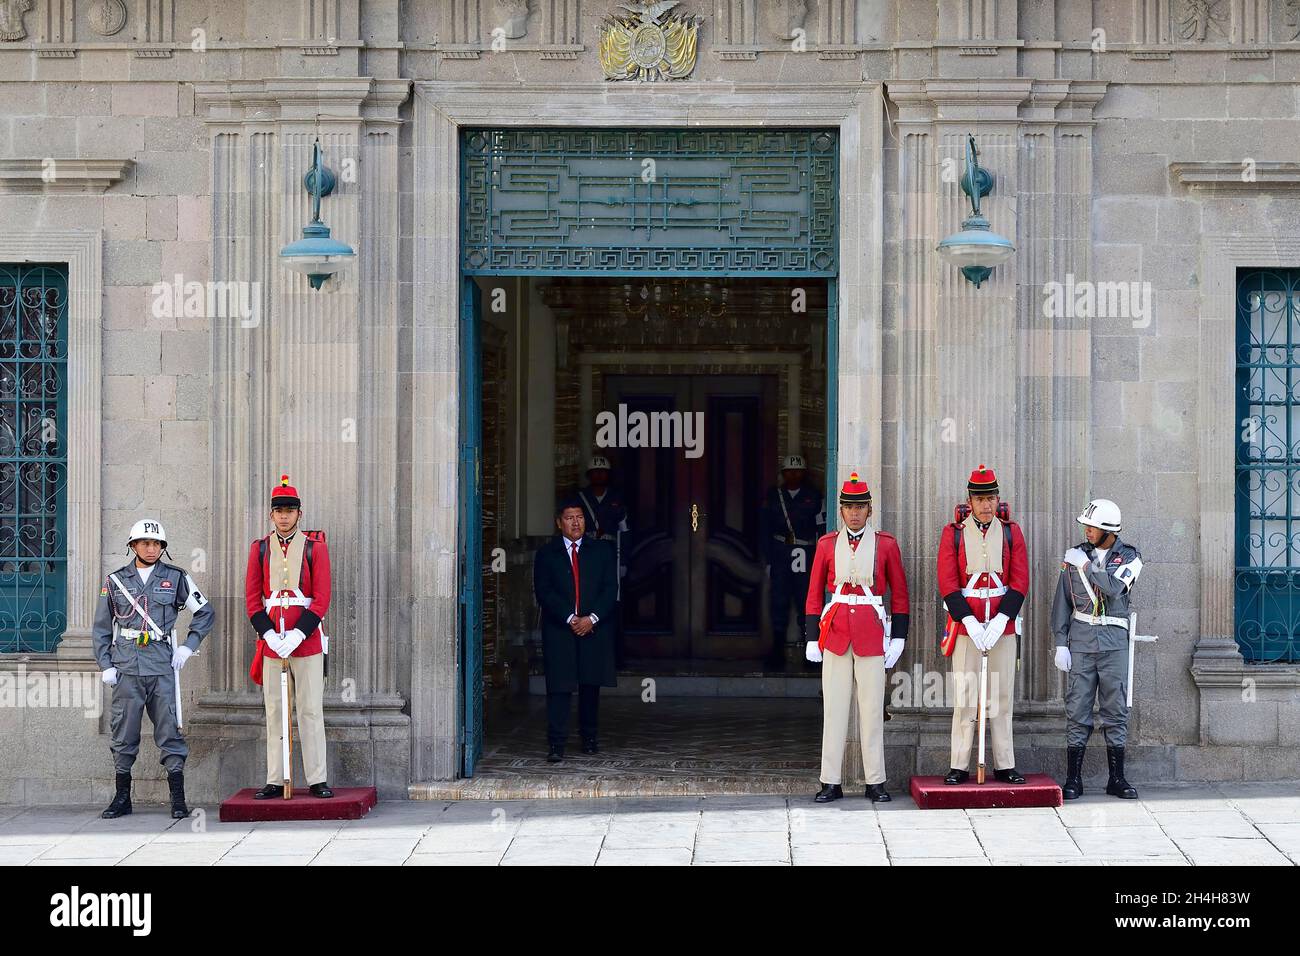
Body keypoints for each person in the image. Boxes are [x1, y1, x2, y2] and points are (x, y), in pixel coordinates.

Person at [94, 519, 214, 819]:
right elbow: (100, 628)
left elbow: (205, 612)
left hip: (161, 666)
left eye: (157, 544)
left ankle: (177, 798)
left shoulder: (176, 578)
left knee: (170, 730)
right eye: (145, 543)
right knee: (123, 732)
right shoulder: (115, 581)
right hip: (126, 668)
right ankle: (122, 798)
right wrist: (105, 664)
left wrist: (188, 646)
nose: (151, 548)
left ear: (163, 547)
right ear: (133, 546)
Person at [804, 472, 909, 803]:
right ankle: (830, 781)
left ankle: (875, 781)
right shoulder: (826, 545)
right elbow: (813, 594)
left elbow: (901, 595)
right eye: (848, 506)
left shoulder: (885, 545)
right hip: (834, 633)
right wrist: (810, 637)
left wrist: (899, 638)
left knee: (872, 710)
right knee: (834, 710)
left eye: (859, 506)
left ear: (869, 509)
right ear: (841, 509)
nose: (854, 513)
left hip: (871, 633)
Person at [937, 465, 1029, 785]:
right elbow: (948, 584)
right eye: (979, 499)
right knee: (965, 698)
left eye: (990, 498)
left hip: (1001, 626)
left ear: (997, 499)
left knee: (1002, 697)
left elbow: (1020, 581)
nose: (986, 505)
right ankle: (959, 764)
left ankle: (1004, 764)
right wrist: (972, 624)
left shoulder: (1010, 531)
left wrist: (1002, 619)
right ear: (970, 501)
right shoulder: (954, 533)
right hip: (967, 628)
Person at [245, 475, 334, 799]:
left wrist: (298, 632)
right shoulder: (259, 550)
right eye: (279, 510)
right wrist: (269, 634)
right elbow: (253, 600)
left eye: (290, 510)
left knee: (310, 709)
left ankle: (317, 778)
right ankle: (275, 777)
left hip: (306, 641)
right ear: (271, 515)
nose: (284, 516)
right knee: (275, 710)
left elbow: (322, 598)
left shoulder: (315, 549)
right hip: (272, 643)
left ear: (299, 514)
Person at [1050, 498, 1144, 800]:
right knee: (1077, 708)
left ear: (1108, 531)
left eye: (1092, 526)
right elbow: (1062, 601)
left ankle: (1117, 778)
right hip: (1081, 641)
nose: (1086, 530)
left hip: (1114, 643)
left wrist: (1087, 567)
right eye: (1086, 525)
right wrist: (1059, 643)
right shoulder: (1075, 556)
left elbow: (1114, 588)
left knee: (1115, 709)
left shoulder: (1131, 557)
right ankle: (1073, 778)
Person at [533, 497, 618, 761]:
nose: (575, 522)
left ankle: (589, 738)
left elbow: (609, 589)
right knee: (559, 687)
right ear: (559, 523)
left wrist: (591, 618)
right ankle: (556, 744)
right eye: (569, 517)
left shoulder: (602, 551)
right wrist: (570, 618)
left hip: (593, 628)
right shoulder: (547, 554)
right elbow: (544, 591)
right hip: (560, 629)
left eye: (579, 517)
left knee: (590, 685)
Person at [760, 454, 825, 667]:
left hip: (806, 554)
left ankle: (810, 650)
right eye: (789, 471)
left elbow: (820, 528)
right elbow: (765, 529)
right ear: (783, 473)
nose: (793, 475)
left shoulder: (814, 496)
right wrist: (768, 559)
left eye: (797, 471)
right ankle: (777, 650)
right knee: (778, 600)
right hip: (780, 553)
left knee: (806, 600)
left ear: (804, 473)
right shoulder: (774, 496)